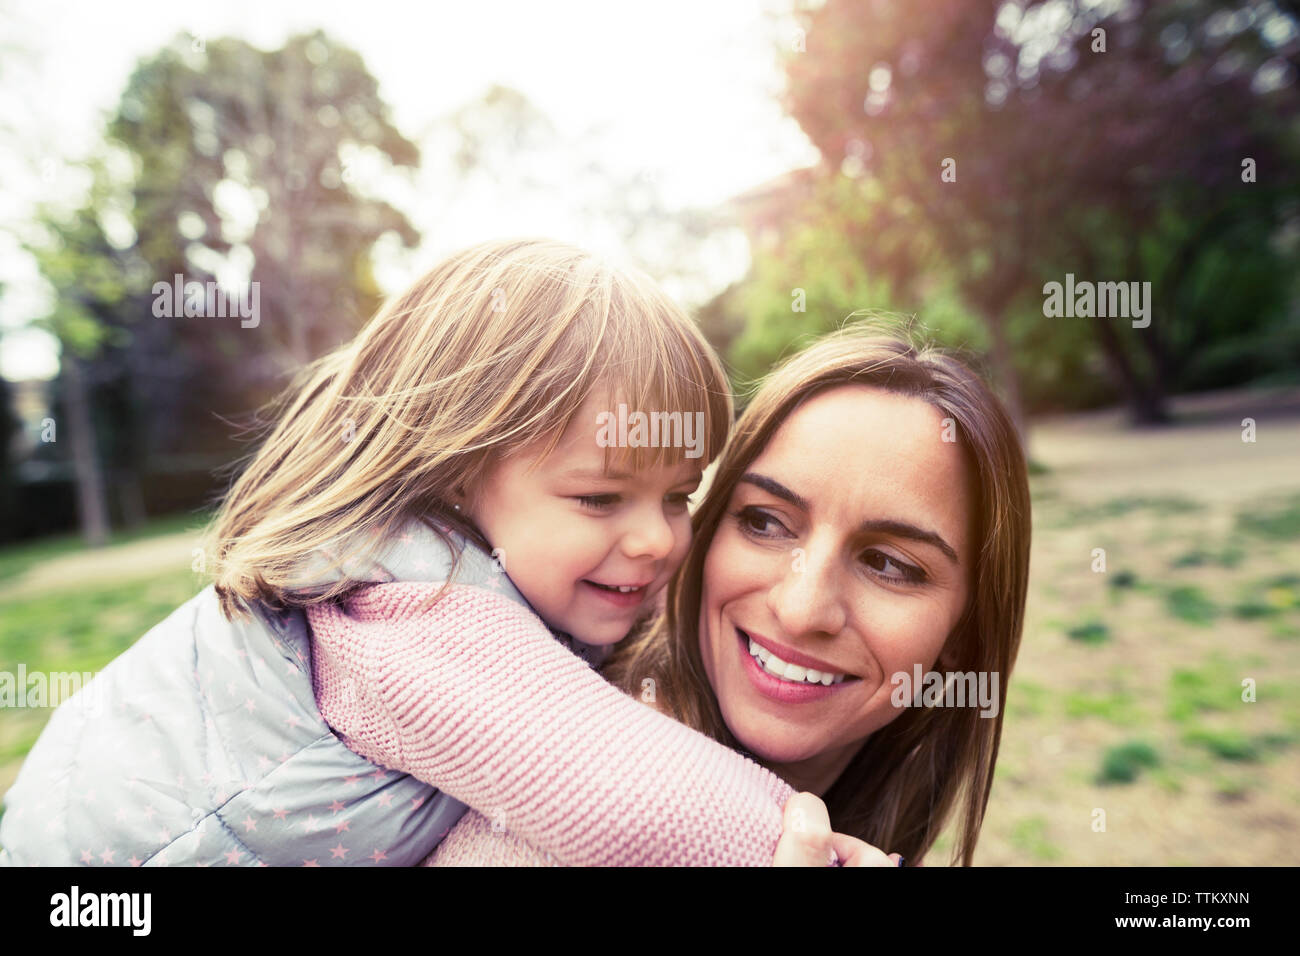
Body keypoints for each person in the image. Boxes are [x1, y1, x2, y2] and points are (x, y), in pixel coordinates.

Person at [0, 238, 808, 866]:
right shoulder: (419, 601)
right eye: (600, 497)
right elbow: (618, 789)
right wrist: (793, 843)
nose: (656, 538)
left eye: (680, 496)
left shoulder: (440, 560)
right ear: (458, 473)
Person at [422, 324, 1031, 866]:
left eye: (888, 564)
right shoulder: (567, 816)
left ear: (964, 633)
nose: (800, 609)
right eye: (765, 522)